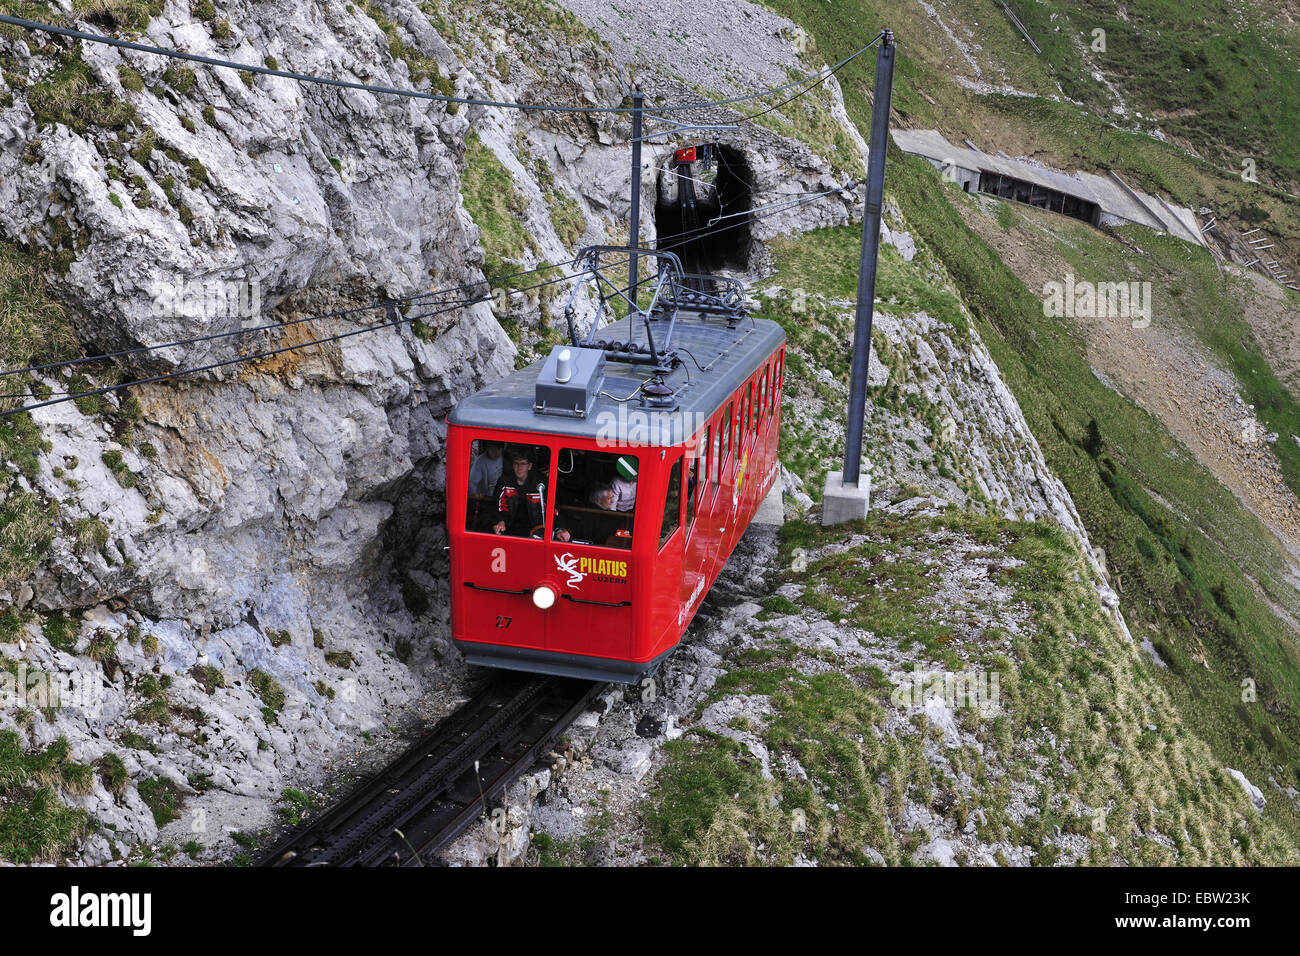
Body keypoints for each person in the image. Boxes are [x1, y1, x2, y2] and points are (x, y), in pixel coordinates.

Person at [491, 447, 546, 537]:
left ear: (529, 466)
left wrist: (560, 528)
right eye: (516, 463)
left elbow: (552, 508)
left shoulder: (540, 483)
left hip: (535, 532)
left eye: (523, 464)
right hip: (509, 530)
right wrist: (500, 521)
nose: (519, 467)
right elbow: (496, 505)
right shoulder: (504, 481)